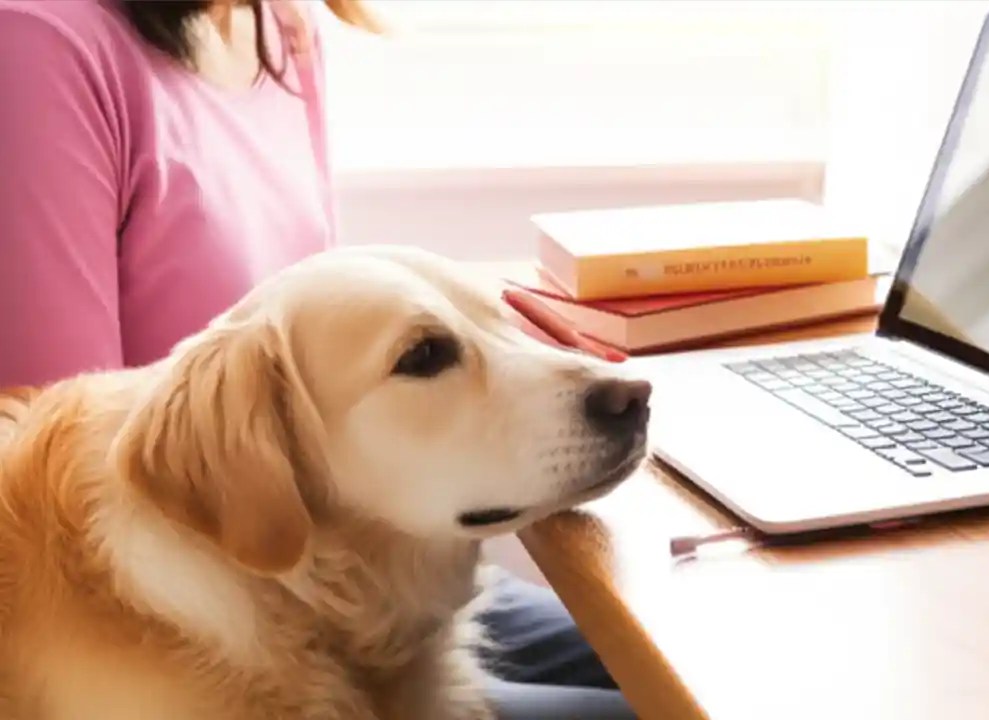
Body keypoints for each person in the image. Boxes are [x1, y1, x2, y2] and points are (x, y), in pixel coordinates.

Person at [0, 1, 634, 718]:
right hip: (184, 595)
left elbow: (327, 307)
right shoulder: (34, 42)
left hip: (358, 567)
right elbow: (45, 429)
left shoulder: (278, 25)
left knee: (729, 676)